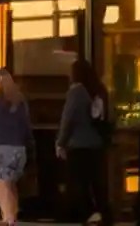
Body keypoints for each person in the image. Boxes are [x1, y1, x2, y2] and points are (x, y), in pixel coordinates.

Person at [57, 59, 112, 226]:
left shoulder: (76, 92)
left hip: (79, 145)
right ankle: (103, 215)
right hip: (97, 144)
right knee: (97, 185)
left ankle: (90, 214)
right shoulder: (99, 90)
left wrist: (60, 142)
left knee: (78, 184)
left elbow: (68, 119)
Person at [0, 68, 34, 226]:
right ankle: (13, 218)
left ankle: (9, 220)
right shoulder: (20, 103)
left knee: (2, 189)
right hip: (19, 151)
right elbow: (27, 130)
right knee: (11, 187)